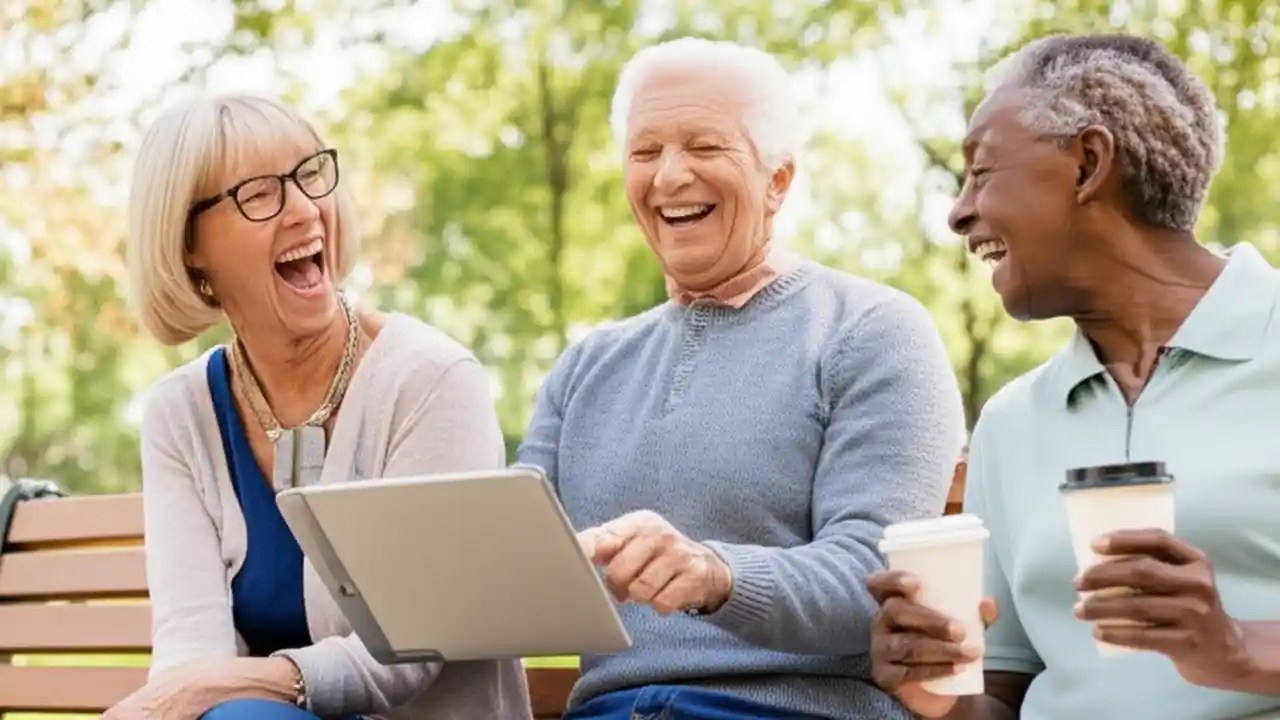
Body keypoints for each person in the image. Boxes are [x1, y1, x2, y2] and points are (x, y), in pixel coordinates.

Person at [516, 37, 965, 720]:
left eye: (703, 146)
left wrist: (715, 574)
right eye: (645, 153)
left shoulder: (872, 331)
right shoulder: (586, 366)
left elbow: (876, 582)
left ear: (777, 180)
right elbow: (517, 571)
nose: (669, 177)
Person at [868, 33, 1280, 720]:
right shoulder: (1011, 421)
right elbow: (1001, 696)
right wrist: (939, 693)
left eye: (981, 171)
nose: (958, 211)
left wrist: (1236, 648)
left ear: (1088, 163)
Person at [107, 94, 531, 720]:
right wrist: (196, 693)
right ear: (189, 244)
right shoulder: (181, 414)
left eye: (311, 176)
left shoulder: (433, 380)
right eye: (258, 193)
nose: (306, 210)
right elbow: (188, 648)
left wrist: (217, 690)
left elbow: (408, 649)